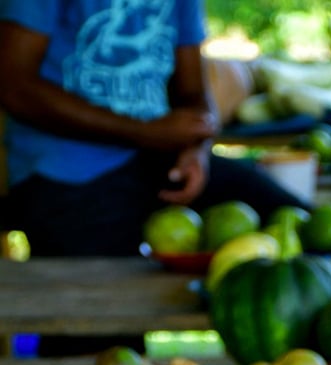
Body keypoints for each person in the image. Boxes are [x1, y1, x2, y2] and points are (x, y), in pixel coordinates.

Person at [0, 0, 311, 258]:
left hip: (158, 160)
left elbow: (195, 93)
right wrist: (144, 131)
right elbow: (14, 87)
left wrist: (196, 148)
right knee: (101, 320)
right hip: (63, 173)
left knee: (307, 233)